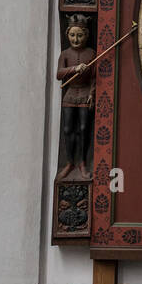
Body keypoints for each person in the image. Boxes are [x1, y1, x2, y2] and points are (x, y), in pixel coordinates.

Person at [56, 16, 96, 181]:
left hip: (85, 94)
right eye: (72, 35)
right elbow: (59, 74)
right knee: (67, 129)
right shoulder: (65, 54)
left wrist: (92, 93)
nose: (76, 39)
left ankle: (83, 162)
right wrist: (74, 69)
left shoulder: (91, 53)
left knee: (84, 128)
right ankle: (70, 162)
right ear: (67, 35)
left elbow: (94, 77)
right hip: (71, 94)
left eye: (79, 35)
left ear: (86, 35)